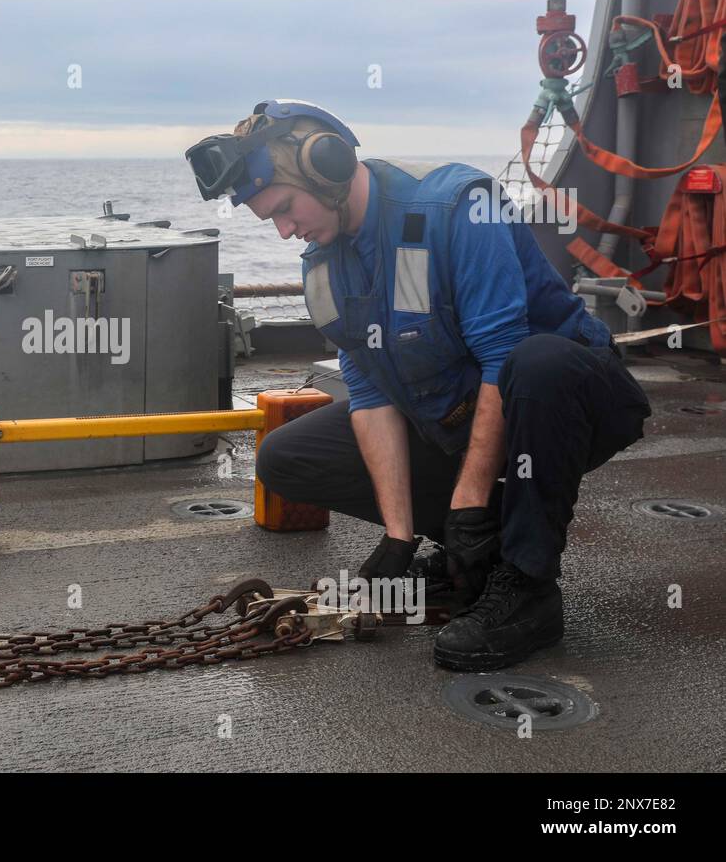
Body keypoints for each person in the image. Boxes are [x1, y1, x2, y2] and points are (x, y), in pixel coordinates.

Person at [185, 99, 652, 669]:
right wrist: (401, 536)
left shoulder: (456, 206)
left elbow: (499, 356)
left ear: (325, 166)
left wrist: (469, 500)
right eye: (271, 221)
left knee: (535, 363)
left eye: (284, 207)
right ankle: (483, 549)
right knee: (286, 456)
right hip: (456, 414)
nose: (285, 232)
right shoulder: (324, 266)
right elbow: (371, 392)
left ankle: (529, 588)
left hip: (569, 401)